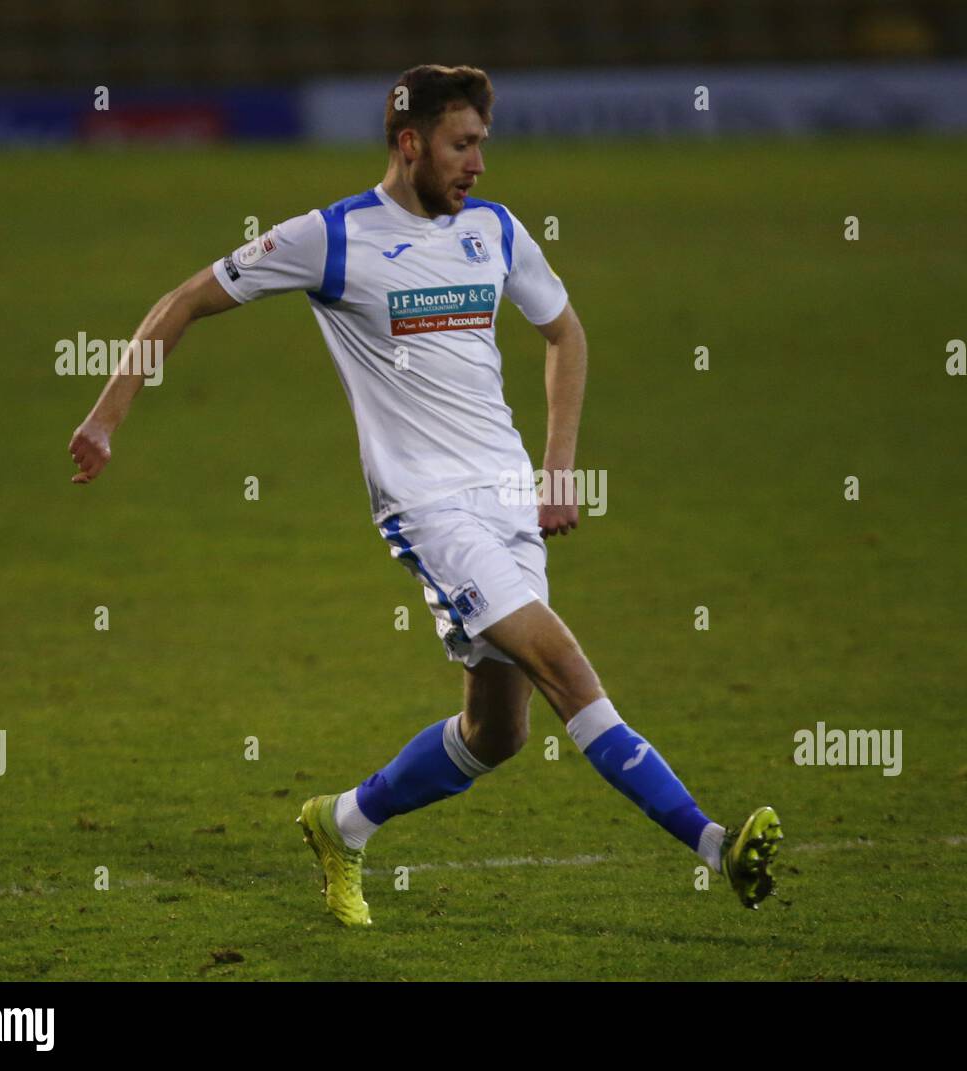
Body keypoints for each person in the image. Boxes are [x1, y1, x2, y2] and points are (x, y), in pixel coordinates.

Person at [68, 64, 782, 927]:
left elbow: (564, 331)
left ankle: (340, 823)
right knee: (565, 667)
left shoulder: (496, 231)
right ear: (409, 144)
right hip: (430, 510)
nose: (478, 162)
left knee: (498, 734)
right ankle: (716, 843)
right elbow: (184, 299)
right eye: (462, 144)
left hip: (509, 498)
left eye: (482, 143)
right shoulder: (331, 238)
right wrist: (107, 416)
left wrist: (557, 470)